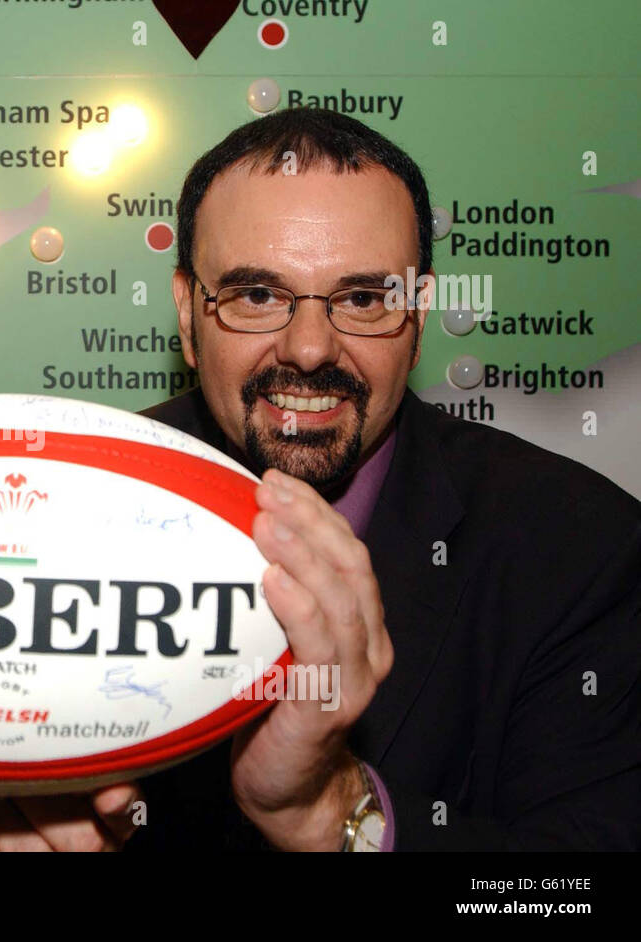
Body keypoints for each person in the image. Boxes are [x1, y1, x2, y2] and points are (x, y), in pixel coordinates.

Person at [132, 107, 639, 851]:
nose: (308, 348)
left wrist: (335, 813)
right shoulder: (59, 504)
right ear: (186, 313)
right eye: (258, 295)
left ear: (419, 314)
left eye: (364, 299)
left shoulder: (581, 550)